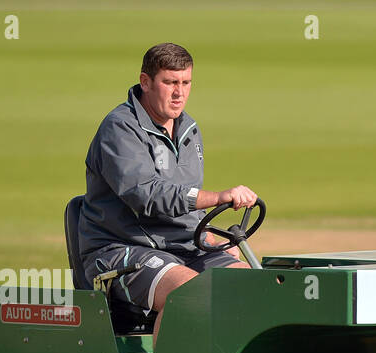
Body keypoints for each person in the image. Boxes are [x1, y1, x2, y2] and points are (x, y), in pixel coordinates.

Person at [77, 43, 257, 333]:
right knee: (189, 295)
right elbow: (146, 194)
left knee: (248, 286)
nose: (179, 93)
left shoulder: (188, 129)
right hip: (121, 249)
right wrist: (217, 198)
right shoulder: (119, 128)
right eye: (170, 82)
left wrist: (208, 234)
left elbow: (184, 200)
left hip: (181, 246)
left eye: (186, 83)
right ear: (145, 82)